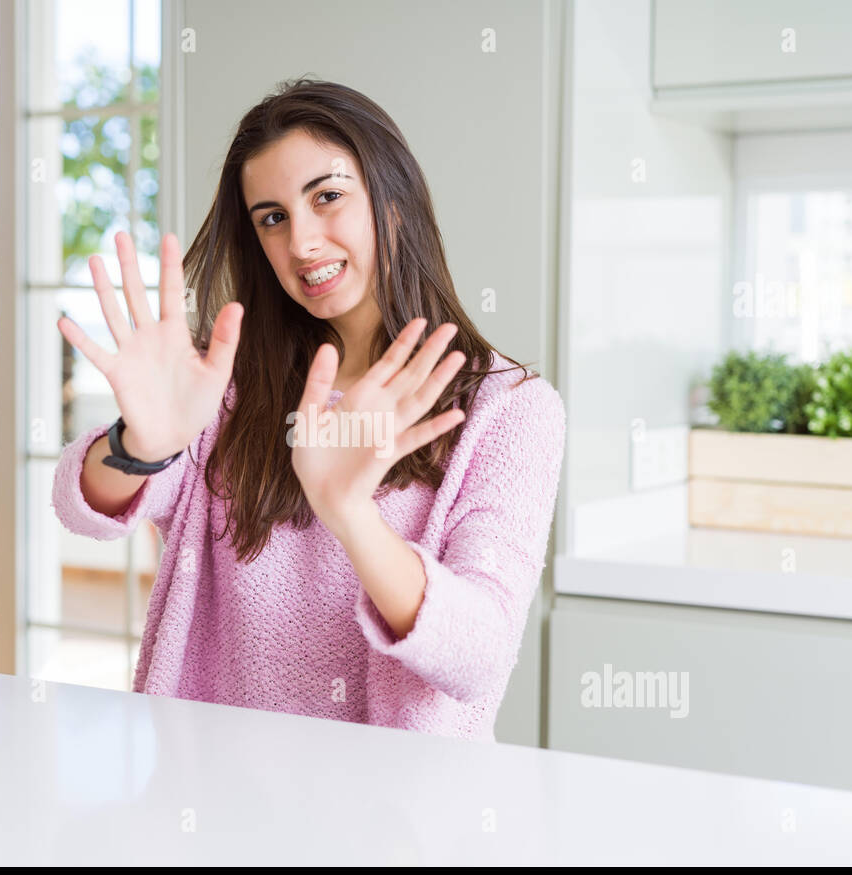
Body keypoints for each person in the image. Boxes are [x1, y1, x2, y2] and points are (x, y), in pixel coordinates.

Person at [52, 78, 565, 742]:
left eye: (327, 197)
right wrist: (141, 443)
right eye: (273, 217)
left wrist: (351, 513)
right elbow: (80, 504)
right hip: (213, 804)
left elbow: (478, 653)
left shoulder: (510, 411)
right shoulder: (226, 384)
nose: (302, 243)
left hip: (398, 828)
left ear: (396, 200)